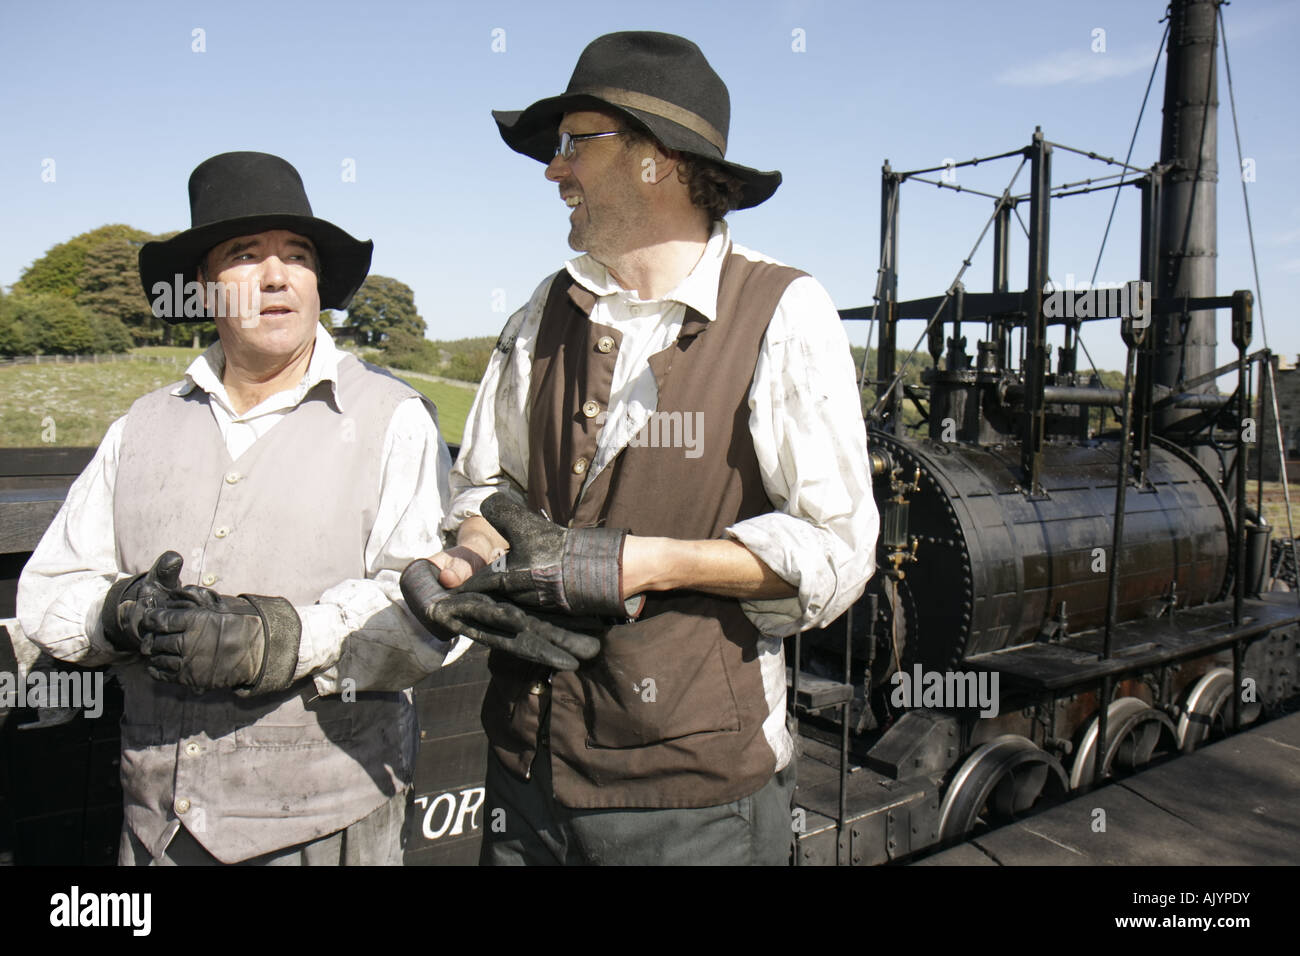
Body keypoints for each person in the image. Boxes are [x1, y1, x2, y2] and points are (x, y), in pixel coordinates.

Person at [408, 32, 878, 865]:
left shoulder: (784, 312)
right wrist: (461, 565)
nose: (554, 171)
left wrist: (640, 563)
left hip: (689, 805)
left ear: (656, 159)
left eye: (573, 144)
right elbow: (491, 486)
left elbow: (838, 550)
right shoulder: (541, 312)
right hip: (522, 769)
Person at [17, 151, 459, 865]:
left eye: (297, 255)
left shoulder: (395, 418)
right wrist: (117, 614)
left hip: (322, 828)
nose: (277, 275)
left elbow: (431, 610)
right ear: (204, 287)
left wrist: (277, 641)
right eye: (246, 255)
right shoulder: (139, 426)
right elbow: (48, 593)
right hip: (156, 832)